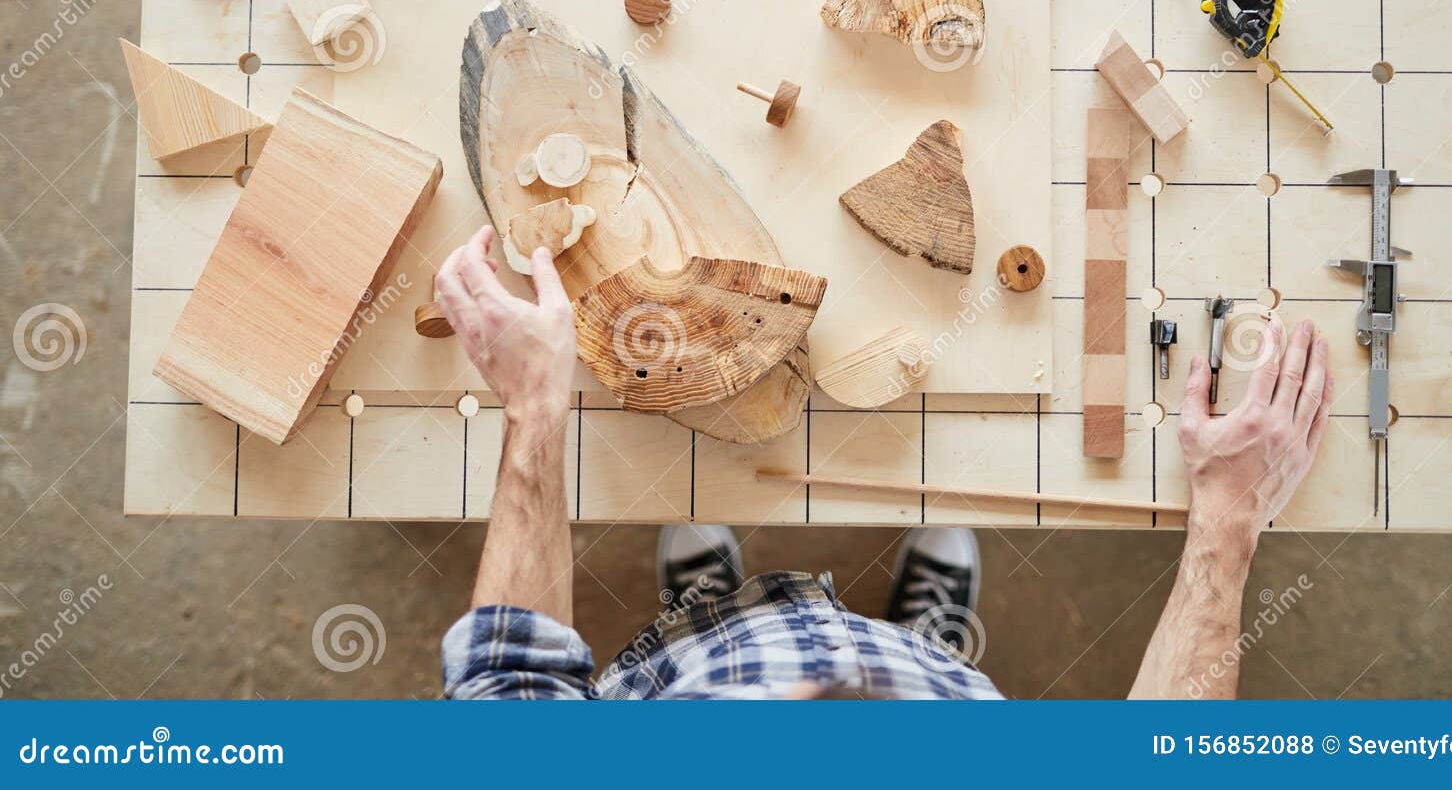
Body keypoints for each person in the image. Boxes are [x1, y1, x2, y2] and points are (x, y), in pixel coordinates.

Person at [433, 226, 1334, 700]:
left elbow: (507, 677)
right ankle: (927, 649)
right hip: (939, 698)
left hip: (683, 685)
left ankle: (701, 619)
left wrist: (536, 404)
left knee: (702, 650)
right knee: (923, 672)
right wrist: (1225, 517)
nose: (821, 696)